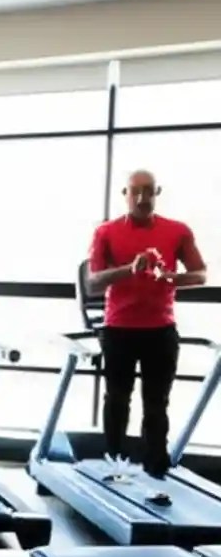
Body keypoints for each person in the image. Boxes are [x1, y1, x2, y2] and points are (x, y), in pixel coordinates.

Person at [86, 169, 208, 480]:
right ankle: (114, 458)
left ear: (157, 193)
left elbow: (201, 273)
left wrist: (172, 277)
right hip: (119, 329)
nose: (142, 198)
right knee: (117, 399)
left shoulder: (177, 231)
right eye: (135, 191)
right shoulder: (106, 232)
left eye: (149, 191)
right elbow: (93, 283)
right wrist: (130, 269)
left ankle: (156, 464)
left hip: (160, 330)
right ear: (125, 195)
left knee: (156, 403)